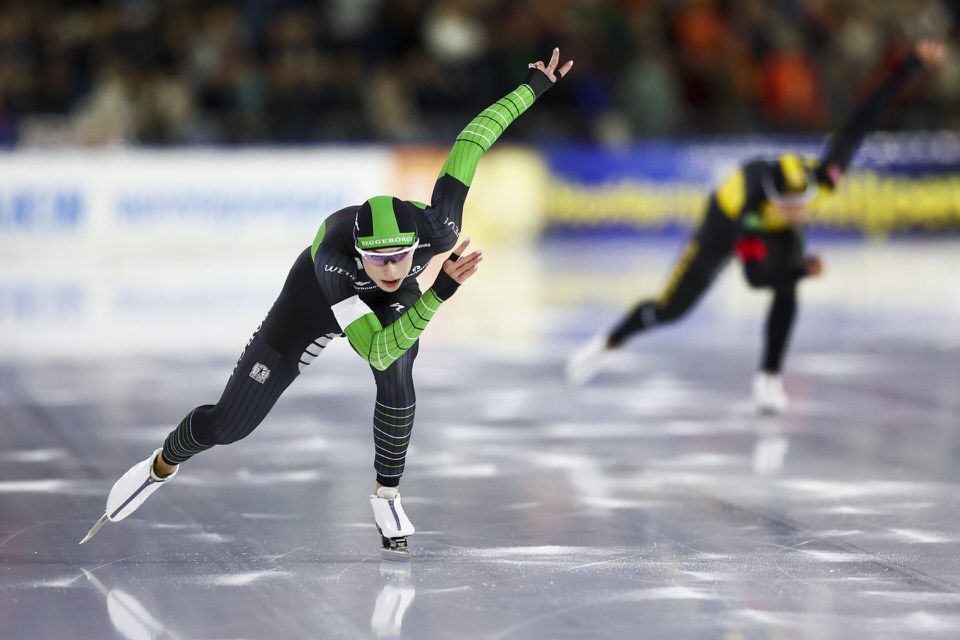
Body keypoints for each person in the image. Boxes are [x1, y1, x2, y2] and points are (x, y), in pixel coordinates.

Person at [82, 49, 575, 556]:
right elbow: (376, 348)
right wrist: (439, 291)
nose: (391, 270)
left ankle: (387, 496)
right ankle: (161, 464)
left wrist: (532, 86)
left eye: (401, 257)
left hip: (383, 308)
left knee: (398, 378)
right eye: (378, 260)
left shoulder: (439, 228)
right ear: (359, 253)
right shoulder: (334, 261)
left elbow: (473, 138)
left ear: (416, 245)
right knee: (230, 424)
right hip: (312, 305)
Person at [566, 41, 944, 414]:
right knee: (672, 308)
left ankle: (769, 377)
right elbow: (754, 277)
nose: (796, 212)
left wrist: (910, 64)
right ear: (772, 201)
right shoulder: (749, 210)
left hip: (771, 228)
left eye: (801, 205)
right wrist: (802, 268)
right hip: (724, 221)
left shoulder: (824, 178)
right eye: (787, 207)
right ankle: (609, 340)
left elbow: (861, 122)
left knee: (788, 288)